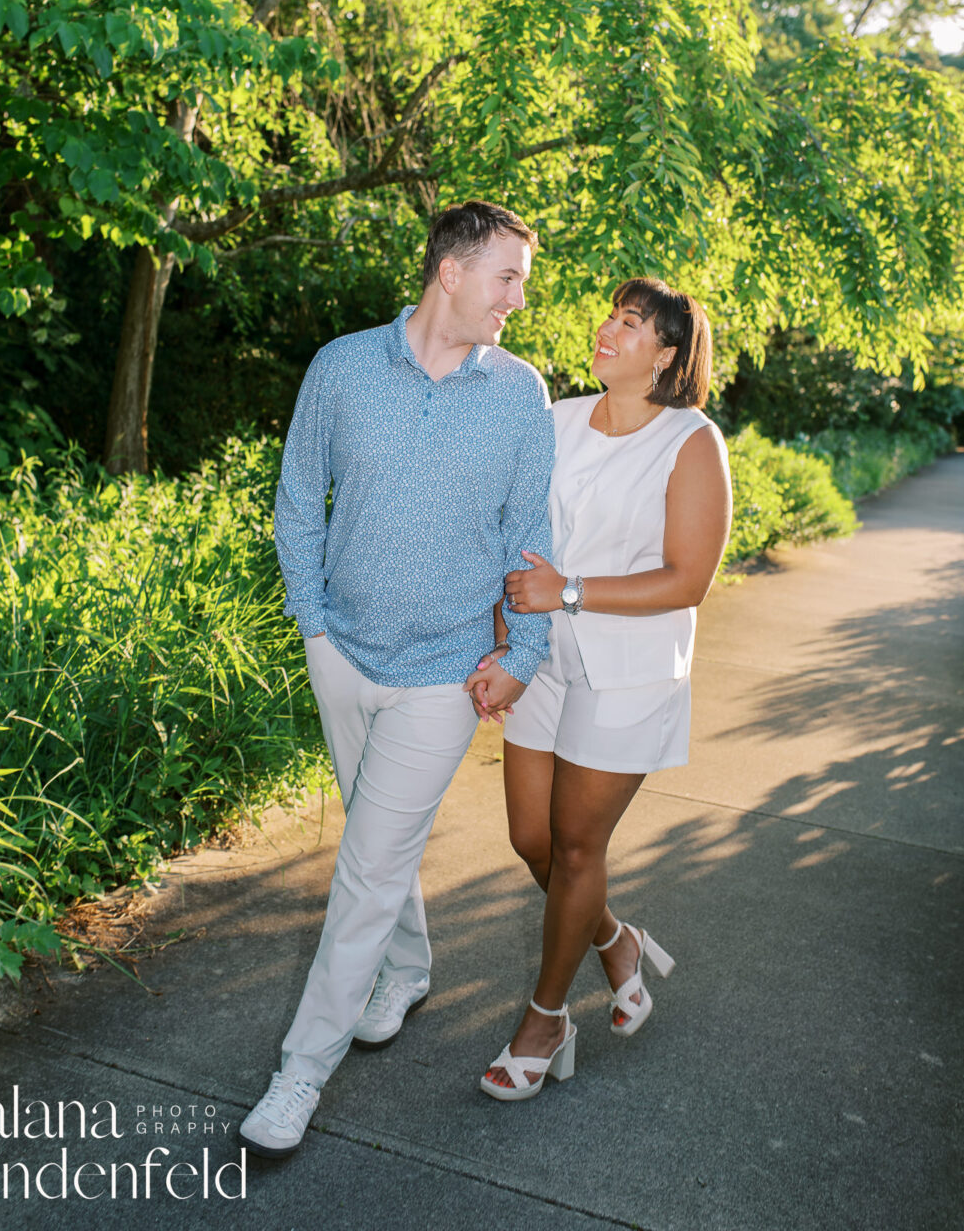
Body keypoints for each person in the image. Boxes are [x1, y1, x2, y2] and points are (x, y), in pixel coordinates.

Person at [238, 200, 555, 1157]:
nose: (517, 301)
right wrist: (315, 628)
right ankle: (406, 971)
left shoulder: (519, 393)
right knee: (384, 849)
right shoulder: (341, 367)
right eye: (506, 279)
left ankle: (298, 1075)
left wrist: (521, 657)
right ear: (450, 273)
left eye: (523, 286)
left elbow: (528, 538)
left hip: (443, 673)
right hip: (342, 652)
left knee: (367, 868)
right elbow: (298, 501)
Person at [465, 276, 732, 1099]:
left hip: (629, 671)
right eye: (610, 315)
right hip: (544, 658)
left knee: (580, 846)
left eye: (632, 323)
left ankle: (546, 1018)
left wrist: (569, 589)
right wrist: (507, 643)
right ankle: (614, 938)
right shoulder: (555, 422)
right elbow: (516, 541)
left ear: (666, 354)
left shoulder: (690, 440)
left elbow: (687, 579)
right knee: (531, 841)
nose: (609, 329)